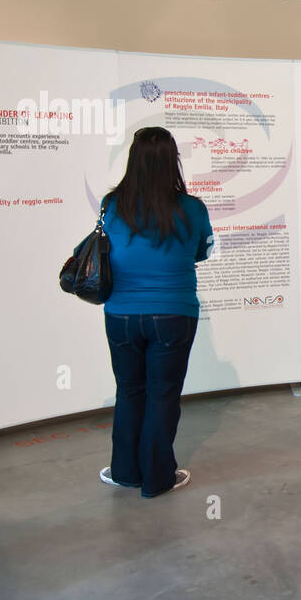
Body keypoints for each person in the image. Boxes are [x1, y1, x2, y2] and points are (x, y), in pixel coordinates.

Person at [99, 126, 214, 497]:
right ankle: (157, 478)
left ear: (132, 160)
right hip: (174, 313)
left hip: (121, 315)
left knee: (130, 391)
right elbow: (203, 251)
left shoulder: (111, 204)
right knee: (163, 395)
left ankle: (125, 471)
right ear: (173, 162)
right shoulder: (193, 209)